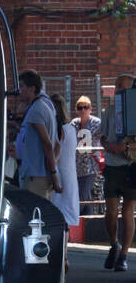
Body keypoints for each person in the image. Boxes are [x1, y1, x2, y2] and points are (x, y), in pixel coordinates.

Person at [100, 71, 136, 271]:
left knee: (127, 212)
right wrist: (107, 145)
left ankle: (124, 255)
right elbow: (103, 136)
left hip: (130, 165)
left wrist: (125, 148)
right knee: (111, 211)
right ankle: (114, 244)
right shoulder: (110, 111)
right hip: (113, 165)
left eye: (123, 86)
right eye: (117, 86)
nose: (119, 90)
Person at [13, 70, 61, 200]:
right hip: (35, 174)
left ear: (32, 88)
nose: (19, 90)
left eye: (22, 86)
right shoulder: (37, 108)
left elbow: (48, 143)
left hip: (36, 177)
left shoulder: (36, 110)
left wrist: (53, 173)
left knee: (35, 216)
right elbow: (56, 143)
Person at [51, 93, 79, 232]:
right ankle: (65, 251)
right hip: (70, 173)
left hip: (59, 173)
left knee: (56, 212)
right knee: (66, 217)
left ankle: (61, 250)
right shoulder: (71, 128)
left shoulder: (57, 129)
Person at [72, 95, 102, 210]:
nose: (83, 110)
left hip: (90, 166)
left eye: (85, 107)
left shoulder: (96, 123)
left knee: (83, 195)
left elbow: (103, 138)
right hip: (76, 165)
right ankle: (88, 220)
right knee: (85, 195)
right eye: (80, 108)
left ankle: (79, 219)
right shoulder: (74, 123)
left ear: (90, 109)